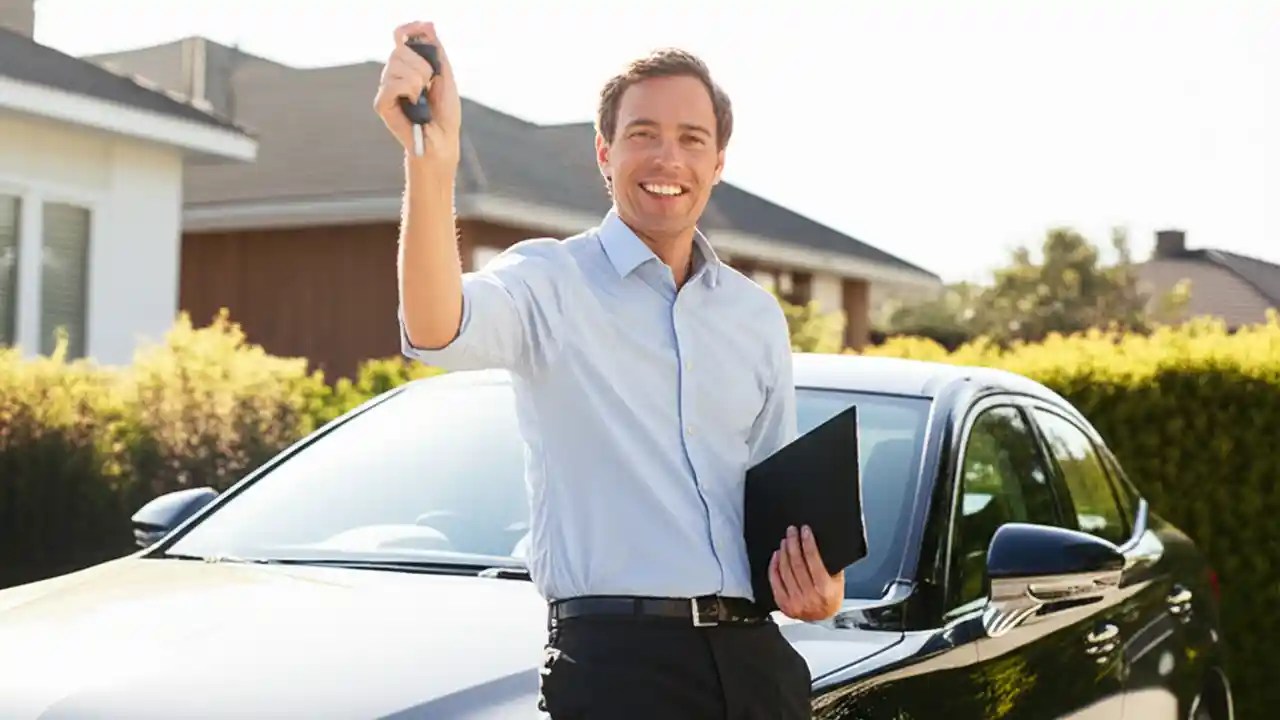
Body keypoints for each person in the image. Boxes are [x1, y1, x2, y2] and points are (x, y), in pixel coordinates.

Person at [374, 21, 845, 719]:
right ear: (604, 151)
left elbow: (780, 508)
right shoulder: (549, 281)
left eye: (692, 139)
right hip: (616, 669)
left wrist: (818, 585)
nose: (668, 158)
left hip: (758, 668)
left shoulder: (754, 316)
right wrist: (431, 164)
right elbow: (437, 330)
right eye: (643, 133)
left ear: (718, 163)